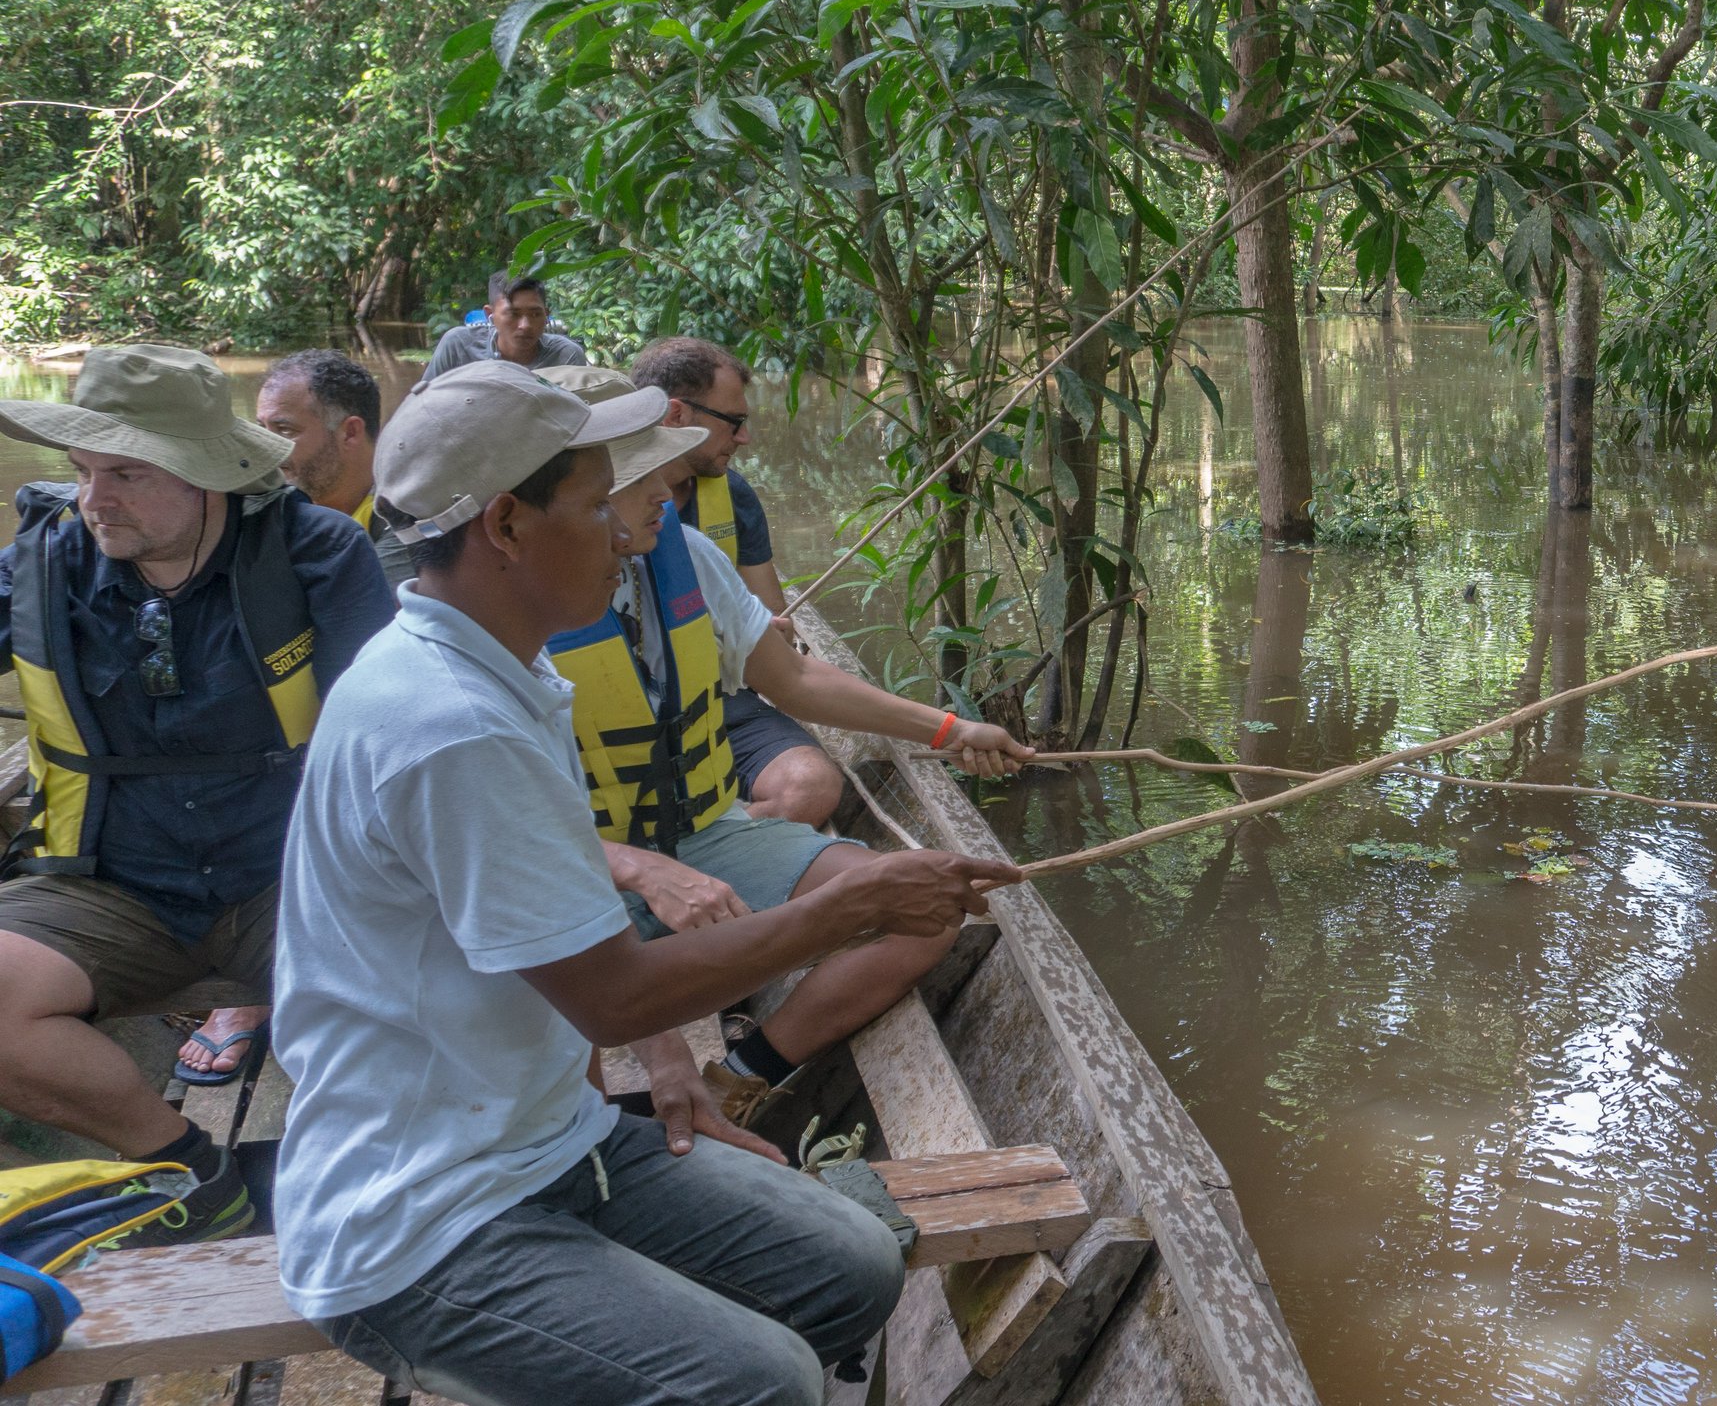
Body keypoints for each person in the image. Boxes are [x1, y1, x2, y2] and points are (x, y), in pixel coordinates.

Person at [269, 360, 1019, 1404]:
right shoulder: (451, 725)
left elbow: (569, 936)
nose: (628, 534)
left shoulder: (510, 671)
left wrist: (670, 1064)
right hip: (420, 1217)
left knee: (854, 1270)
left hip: (544, 1144)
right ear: (506, 524)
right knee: (769, 1383)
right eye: (597, 506)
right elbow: (613, 996)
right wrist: (850, 906)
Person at [537, 365, 1028, 1124]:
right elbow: (515, 838)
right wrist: (661, 1047)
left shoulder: (686, 555)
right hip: (574, 869)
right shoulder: (517, 615)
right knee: (555, 1009)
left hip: (704, 830)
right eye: (636, 480)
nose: (664, 493)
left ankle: (742, 1076)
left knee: (925, 910)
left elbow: (794, 680)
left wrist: (952, 729)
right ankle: (600, 1135)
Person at [0, 346, 392, 1235]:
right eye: (83, 471)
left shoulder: (316, 550)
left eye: (126, 474)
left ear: (207, 473)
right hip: (111, 882)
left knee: (420, 1002)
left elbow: (394, 729)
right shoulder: (45, 560)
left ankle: (373, 1200)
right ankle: (193, 1172)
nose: (95, 499)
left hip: (290, 872)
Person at [628, 337, 845, 827]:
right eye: (734, 421)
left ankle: (722, 832)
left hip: (718, 699)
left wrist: (765, 630)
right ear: (677, 414)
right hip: (620, 711)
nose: (744, 438)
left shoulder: (727, 500)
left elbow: (777, 637)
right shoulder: (592, 522)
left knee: (811, 787)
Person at [257, 351, 382, 528]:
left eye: (285, 430)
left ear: (350, 433)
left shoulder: (408, 515)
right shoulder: (260, 509)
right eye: (261, 429)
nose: (264, 448)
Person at [420, 271, 588, 382]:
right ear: (490, 315)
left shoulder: (566, 357)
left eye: (535, 314)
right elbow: (424, 404)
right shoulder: (458, 346)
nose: (525, 325)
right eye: (513, 314)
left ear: (546, 315)